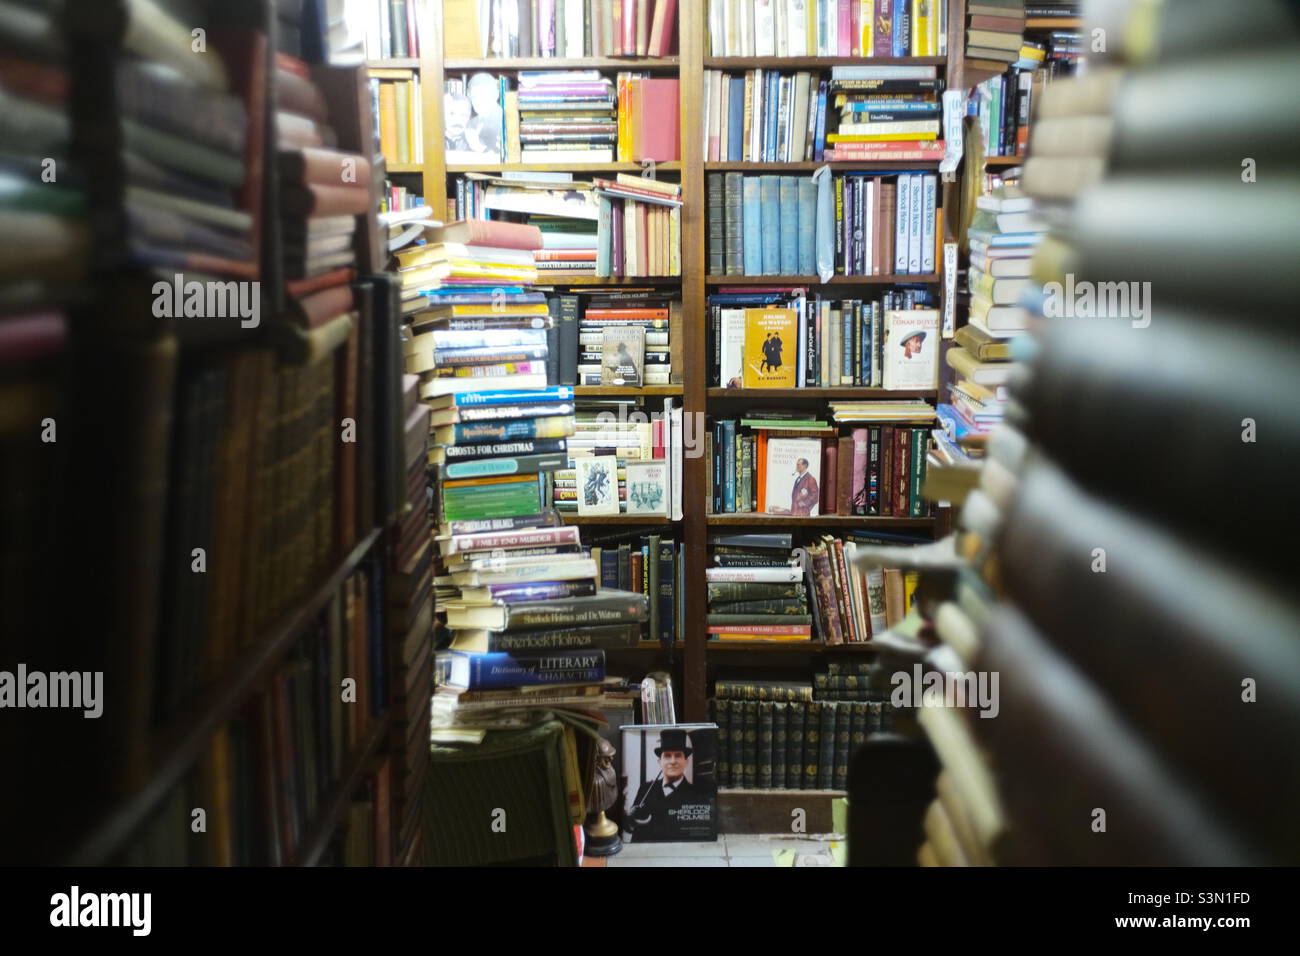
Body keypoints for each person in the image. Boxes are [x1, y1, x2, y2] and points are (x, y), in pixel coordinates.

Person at [625, 729, 701, 842]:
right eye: (667, 756)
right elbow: (631, 828)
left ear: (686, 762)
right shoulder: (645, 788)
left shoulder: (695, 793)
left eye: (678, 755)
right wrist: (630, 819)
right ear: (659, 762)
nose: (673, 761)